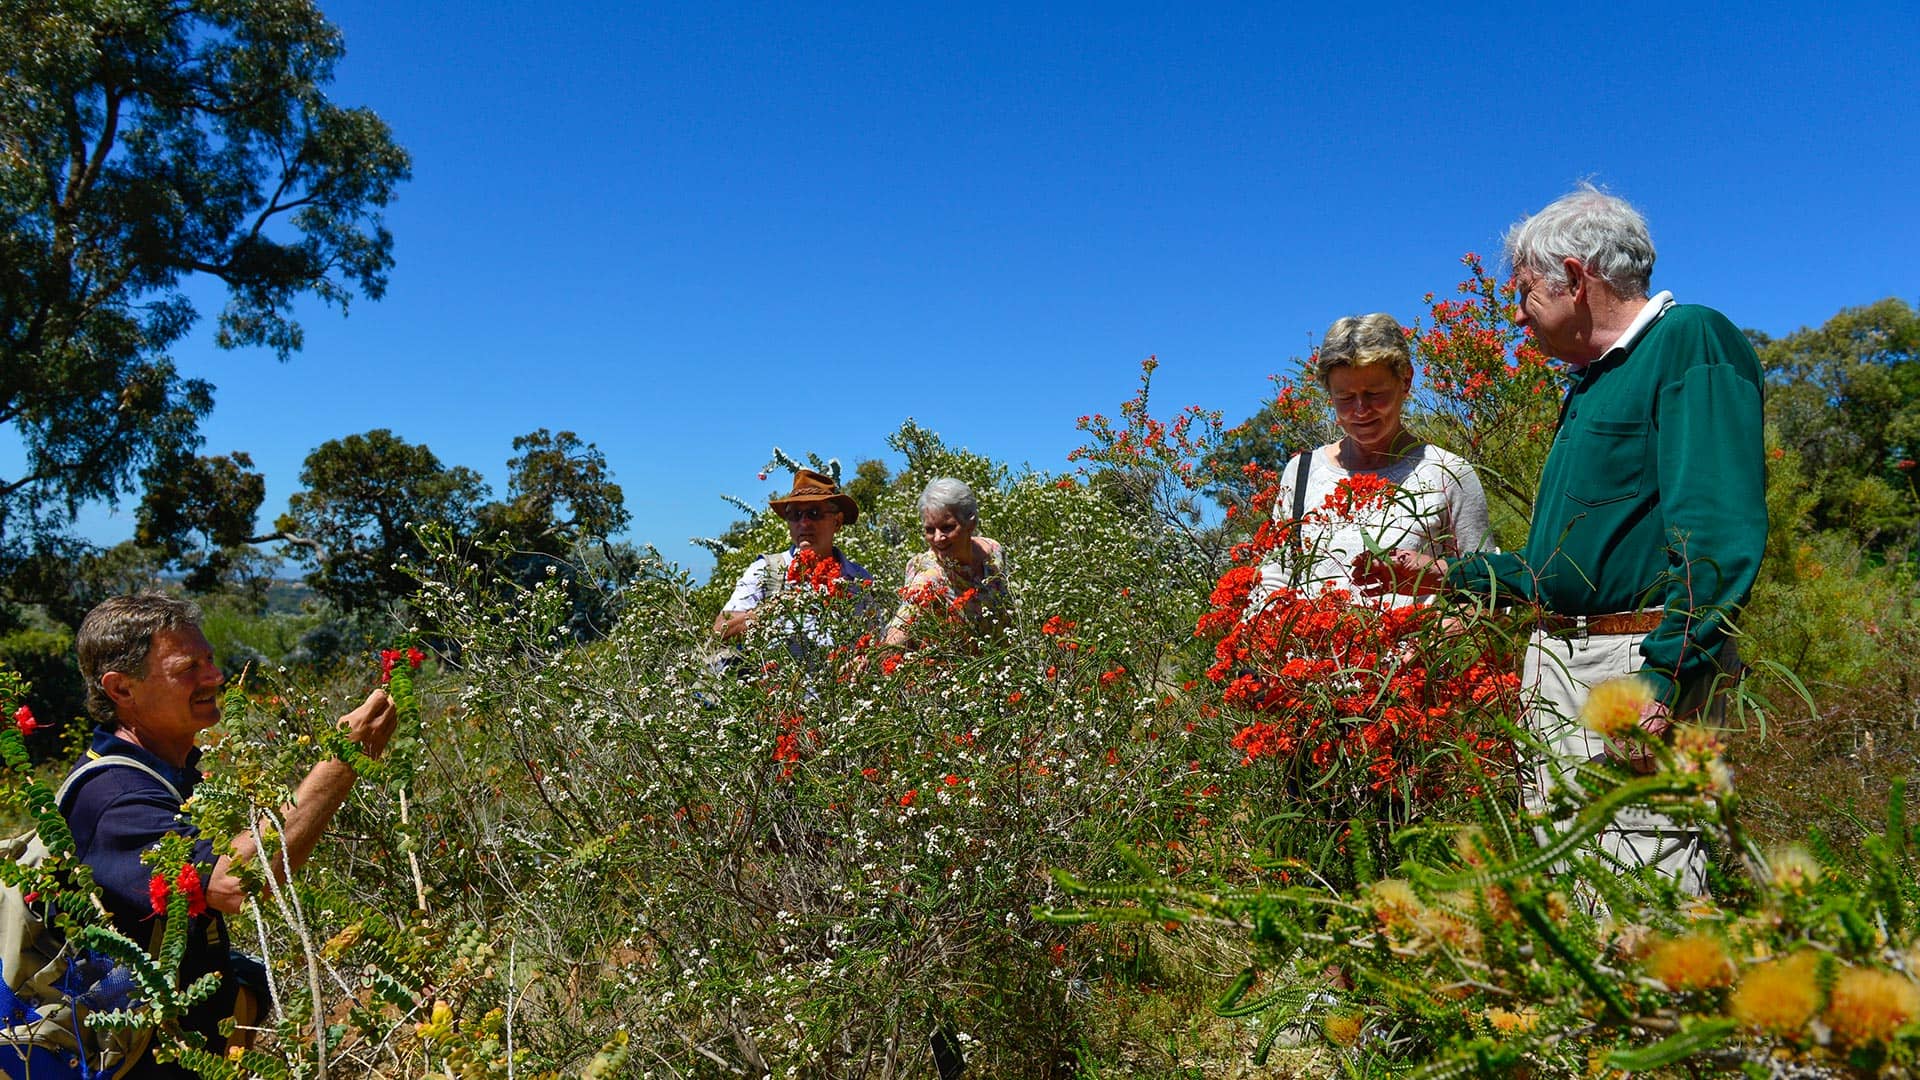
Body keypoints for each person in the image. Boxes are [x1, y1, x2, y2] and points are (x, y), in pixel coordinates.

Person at [1353, 185, 1767, 892]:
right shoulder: (1593, 382)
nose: (1515, 314)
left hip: (1629, 663)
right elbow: (1560, 568)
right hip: (1566, 663)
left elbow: (1717, 531)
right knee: (1575, 889)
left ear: (1576, 279)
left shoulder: (1689, 343)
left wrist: (1664, 675)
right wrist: (1441, 575)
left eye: (1524, 293)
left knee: (1641, 891)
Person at [66, 594, 397, 1075]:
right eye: (188, 668)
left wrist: (245, 993)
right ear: (121, 689)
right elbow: (239, 881)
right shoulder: (113, 796)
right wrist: (342, 761)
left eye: (211, 660)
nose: (214, 677)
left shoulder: (167, 775)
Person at [1253, 312, 1491, 607]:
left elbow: (1486, 588)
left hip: (1414, 652)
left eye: (1374, 393)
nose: (1361, 410)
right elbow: (1276, 576)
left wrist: (1444, 636)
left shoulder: (1447, 473)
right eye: (1345, 398)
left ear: (1405, 381)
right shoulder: (1301, 472)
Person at [713, 468, 873, 644]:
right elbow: (721, 630)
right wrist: (773, 611)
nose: (804, 523)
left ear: (837, 521)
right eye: (795, 515)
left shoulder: (859, 579)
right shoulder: (766, 570)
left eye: (814, 513)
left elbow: (875, 642)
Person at [883, 477, 1010, 648]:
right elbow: (903, 624)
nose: (938, 538)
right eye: (930, 530)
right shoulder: (928, 574)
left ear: (970, 524)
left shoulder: (993, 551)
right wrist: (876, 656)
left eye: (947, 527)